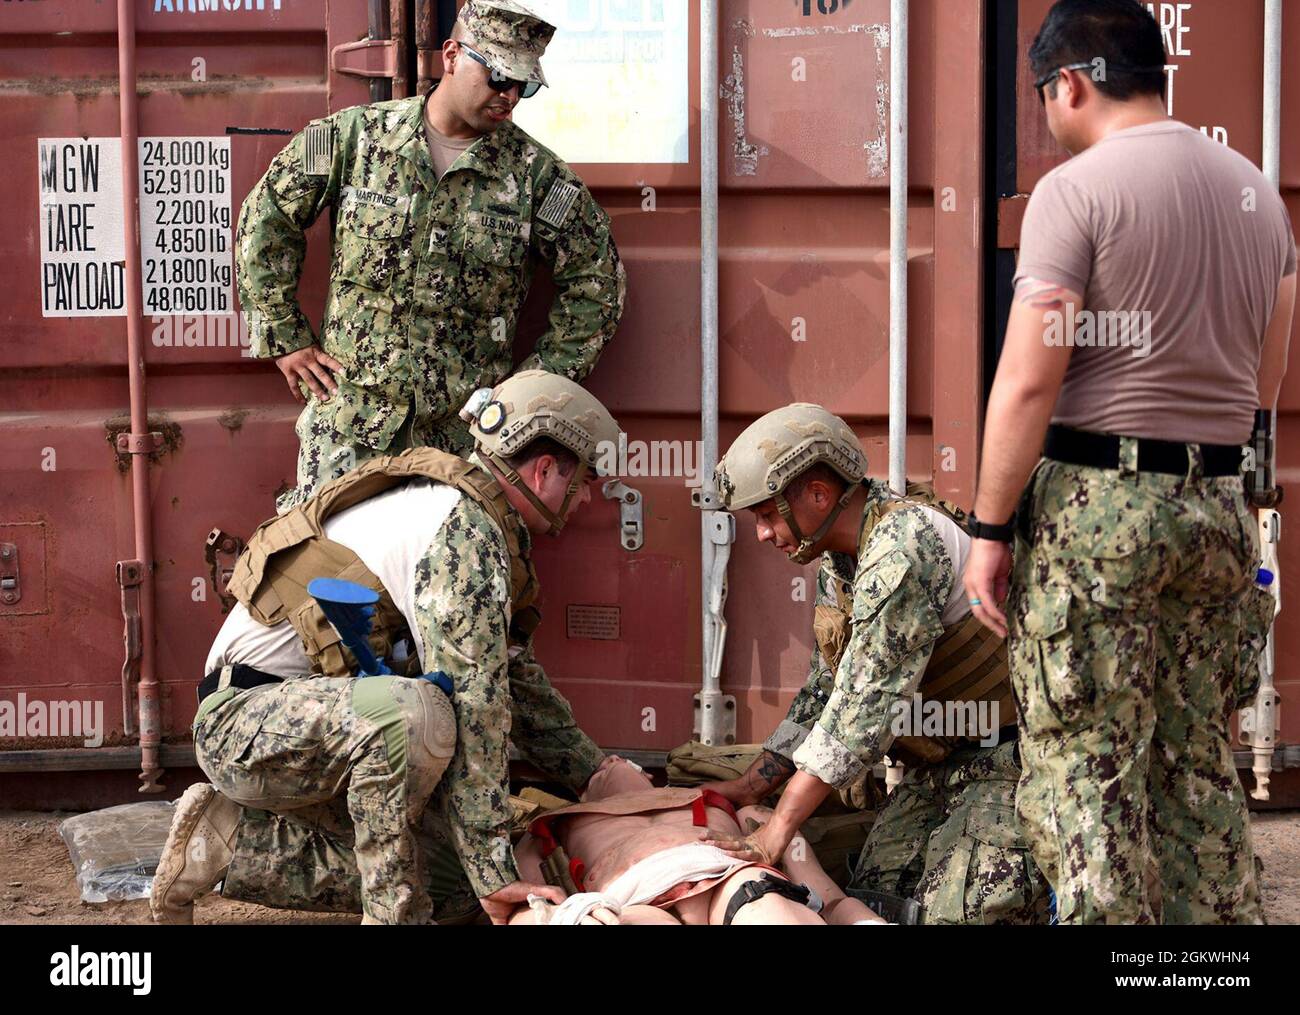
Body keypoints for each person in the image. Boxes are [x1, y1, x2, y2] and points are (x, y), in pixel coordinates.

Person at [962, 0, 1296, 924]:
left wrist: (989, 528)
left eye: (1044, 96)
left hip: (1100, 513)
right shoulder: (1255, 192)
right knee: (1195, 769)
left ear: (1069, 83)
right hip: (1219, 508)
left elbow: (1030, 381)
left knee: (1088, 775)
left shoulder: (1076, 192)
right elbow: (1268, 373)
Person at [151, 371, 623, 925]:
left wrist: (597, 773)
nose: (587, 498)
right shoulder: (462, 529)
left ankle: (227, 840)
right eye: (584, 480)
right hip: (244, 722)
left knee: (454, 878)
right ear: (544, 470)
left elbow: (511, 682)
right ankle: (392, 916)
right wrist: (499, 874)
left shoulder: (471, 521)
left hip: (311, 727)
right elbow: (477, 709)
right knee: (417, 716)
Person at [235, 0, 626, 512]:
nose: (508, 96)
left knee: (451, 586)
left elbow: (598, 286)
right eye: (498, 77)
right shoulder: (354, 140)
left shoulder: (535, 178)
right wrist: (283, 335)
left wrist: (529, 397)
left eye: (523, 86)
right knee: (330, 582)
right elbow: (267, 216)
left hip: (465, 447)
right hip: (352, 427)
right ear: (451, 56)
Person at [698, 405, 1049, 924]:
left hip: (1011, 764)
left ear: (818, 494)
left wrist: (778, 832)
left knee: (955, 916)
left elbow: (862, 710)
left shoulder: (900, 546)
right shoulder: (842, 561)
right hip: (937, 766)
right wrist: (753, 787)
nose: (762, 535)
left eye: (768, 515)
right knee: (867, 902)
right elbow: (825, 689)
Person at [507, 757, 884, 925]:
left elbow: (822, 890)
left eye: (620, 762)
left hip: (734, 881)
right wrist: (569, 917)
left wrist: (846, 912)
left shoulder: (726, 804)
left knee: (769, 909)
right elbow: (526, 904)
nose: (617, 762)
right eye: (604, 765)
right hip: (634, 905)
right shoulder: (557, 825)